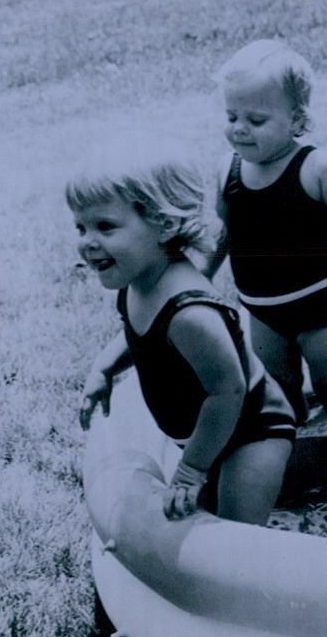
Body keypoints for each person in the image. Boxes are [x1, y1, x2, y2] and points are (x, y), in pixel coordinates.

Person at [69, 144, 296, 525]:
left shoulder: (190, 313)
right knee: (202, 517)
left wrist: (192, 469)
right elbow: (140, 335)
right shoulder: (139, 283)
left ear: (164, 224)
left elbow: (228, 391)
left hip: (252, 434)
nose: (87, 241)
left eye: (105, 226)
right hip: (208, 435)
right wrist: (104, 368)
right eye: (81, 226)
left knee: (235, 538)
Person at [209, 39, 327, 426]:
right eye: (232, 116)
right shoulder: (226, 171)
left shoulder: (316, 168)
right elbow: (220, 235)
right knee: (280, 393)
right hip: (261, 311)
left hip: (317, 307)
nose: (239, 130)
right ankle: (301, 462)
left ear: (298, 121)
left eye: (256, 120)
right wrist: (192, 280)